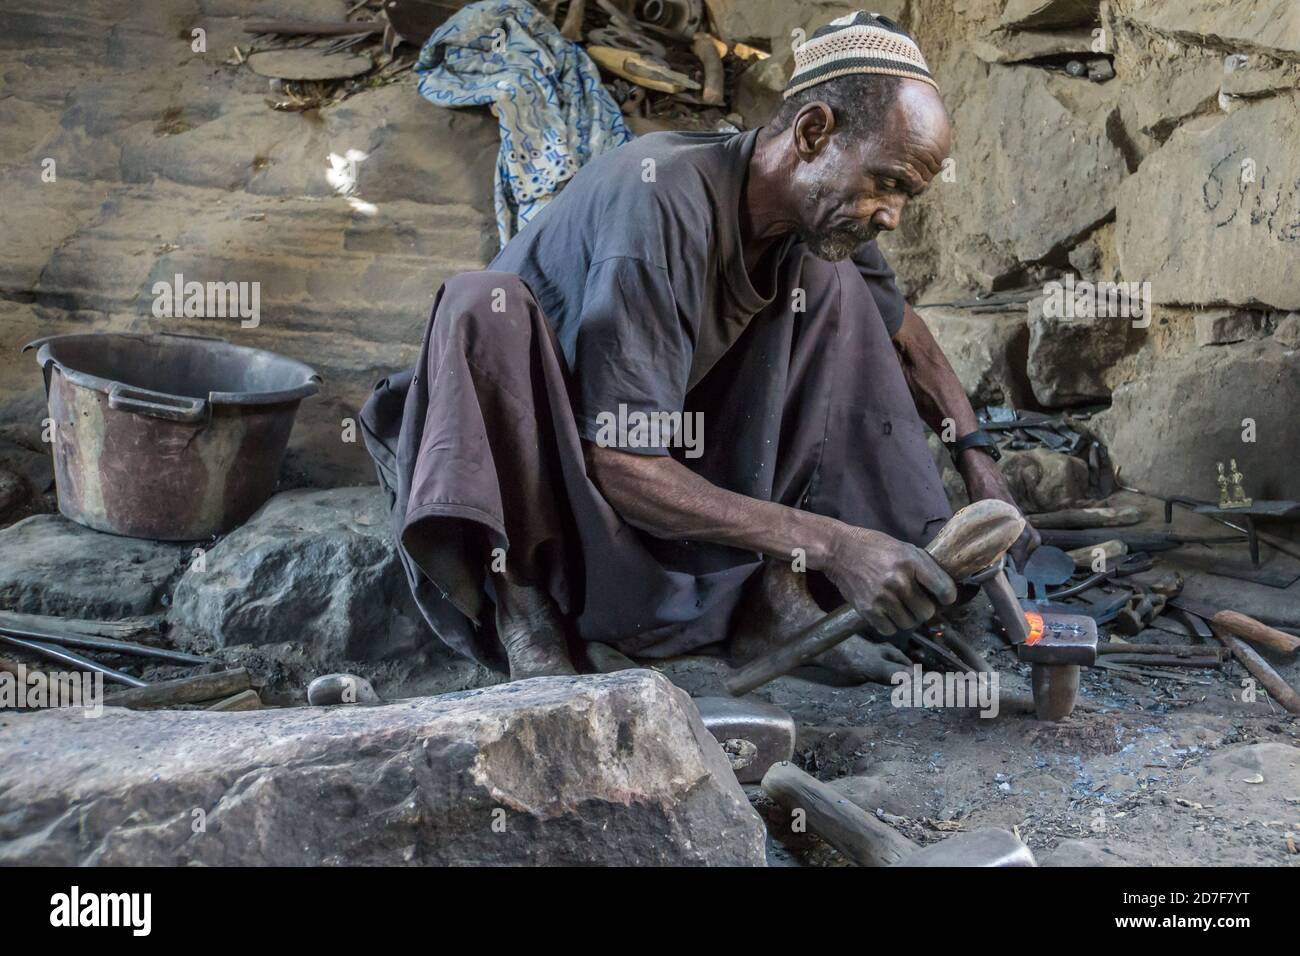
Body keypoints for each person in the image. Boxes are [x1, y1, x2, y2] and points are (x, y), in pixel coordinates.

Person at [361, 11, 1039, 682]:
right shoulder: (661, 202)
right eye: (887, 183)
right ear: (813, 132)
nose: (892, 215)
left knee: (829, 283)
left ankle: (775, 600)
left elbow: (904, 333)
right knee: (481, 304)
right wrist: (835, 544)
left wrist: (979, 460)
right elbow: (620, 462)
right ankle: (525, 609)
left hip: (661, 463)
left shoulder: (815, 216)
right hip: (555, 487)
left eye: (908, 195)